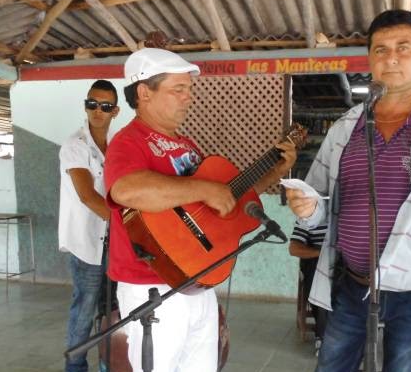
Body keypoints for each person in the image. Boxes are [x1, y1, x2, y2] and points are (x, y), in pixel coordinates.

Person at [286, 9, 411, 372]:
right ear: (370, 59)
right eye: (380, 50)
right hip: (350, 282)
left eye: (403, 48)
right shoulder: (346, 128)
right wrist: (306, 206)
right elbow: (320, 206)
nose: (391, 58)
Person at [104, 48, 297, 372]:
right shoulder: (129, 141)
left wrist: (274, 173)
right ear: (144, 93)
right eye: (178, 89)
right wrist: (205, 189)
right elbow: (126, 190)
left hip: (197, 280)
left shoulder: (187, 145)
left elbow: (226, 200)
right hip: (152, 286)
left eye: (189, 90)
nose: (188, 98)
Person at [58, 80, 120, 372]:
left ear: (115, 111)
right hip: (87, 244)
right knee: (84, 309)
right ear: (86, 106)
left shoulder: (117, 147)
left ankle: (109, 363)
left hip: (114, 242)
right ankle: (76, 366)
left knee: (113, 309)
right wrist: (127, 222)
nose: (98, 111)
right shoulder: (75, 146)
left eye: (105, 106)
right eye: (92, 104)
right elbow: (87, 196)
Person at [289, 222, 329, 355]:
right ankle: (322, 337)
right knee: (318, 278)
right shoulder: (308, 216)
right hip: (318, 262)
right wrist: (322, 253)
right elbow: (294, 249)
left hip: (348, 263)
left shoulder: (350, 212)